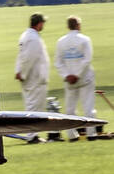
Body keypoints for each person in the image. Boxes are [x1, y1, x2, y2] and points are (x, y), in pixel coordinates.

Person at [55, 15, 97, 141]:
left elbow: (58, 62)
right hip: (85, 79)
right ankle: (91, 134)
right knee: (88, 107)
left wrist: (67, 75)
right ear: (78, 25)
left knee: (70, 108)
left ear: (68, 26)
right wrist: (77, 75)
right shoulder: (85, 40)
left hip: (70, 81)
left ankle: (72, 135)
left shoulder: (61, 41)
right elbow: (87, 59)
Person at [15, 13, 49, 143]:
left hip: (31, 77)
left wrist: (19, 71)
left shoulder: (26, 35)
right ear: (39, 23)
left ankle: (33, 134)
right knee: (34, 107)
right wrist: (22, 73)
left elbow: (22, 57)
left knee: (33, 105)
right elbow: (29, 58)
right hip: (34, 77)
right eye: (43, 23)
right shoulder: (33, 38)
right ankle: (32, 135)